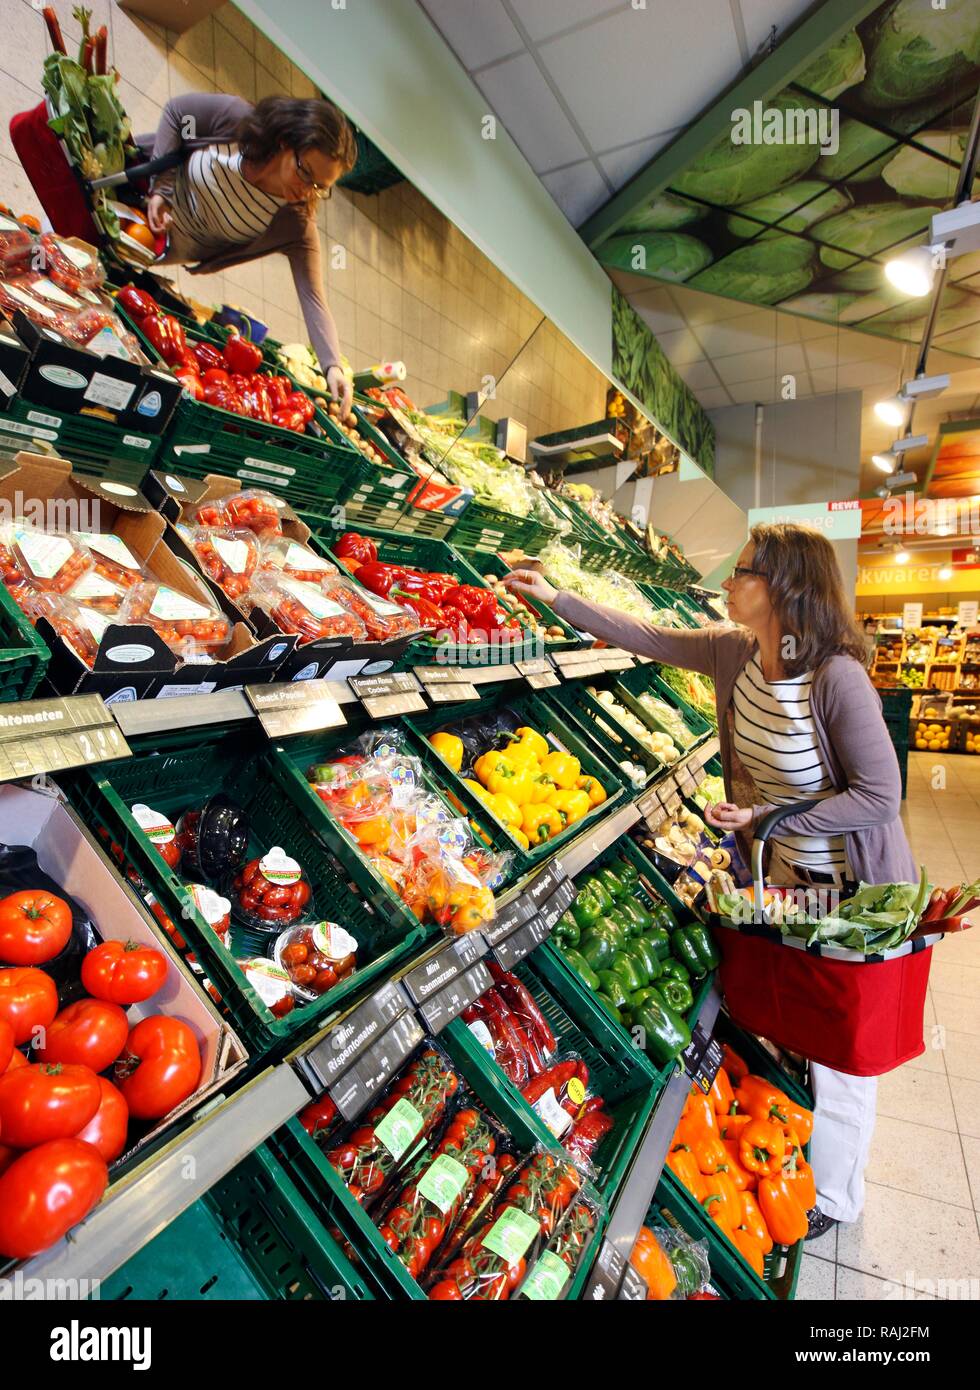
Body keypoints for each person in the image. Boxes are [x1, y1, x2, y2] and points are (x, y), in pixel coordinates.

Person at [504, 523, 917, 1238]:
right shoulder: (735, 653)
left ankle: (838, 1196)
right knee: (797, 1020)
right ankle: (793, 1154)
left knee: (843, 1043)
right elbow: (648, 635)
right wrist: (558, 598)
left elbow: (881, 795)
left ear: (783, 587)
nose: (727, 581)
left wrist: (769, 816)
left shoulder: (836, 678)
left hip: (856, 888)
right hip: (781, 877)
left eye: (742, 571)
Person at [142, 93, 356, 414]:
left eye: (319, 187)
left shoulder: (294, 224)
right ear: (286, 142)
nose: (307, 190)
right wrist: (161, 188)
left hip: (150, 249)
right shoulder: (236, 121)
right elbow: (177, 114)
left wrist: (333, 367)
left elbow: (314, 297)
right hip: (131, 193)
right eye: (305, 172)